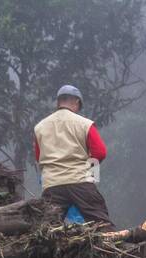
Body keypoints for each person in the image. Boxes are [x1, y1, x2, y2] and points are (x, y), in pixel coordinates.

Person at [33, 84, 112, 225]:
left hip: (52, 185)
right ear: (76, 102)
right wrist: (90, 171)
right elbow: (100, 152)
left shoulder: (40, 127)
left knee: (47, 229)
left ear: (58, 102)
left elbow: (39, 157)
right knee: (101, 225)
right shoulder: (85, 124)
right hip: (80, 182)